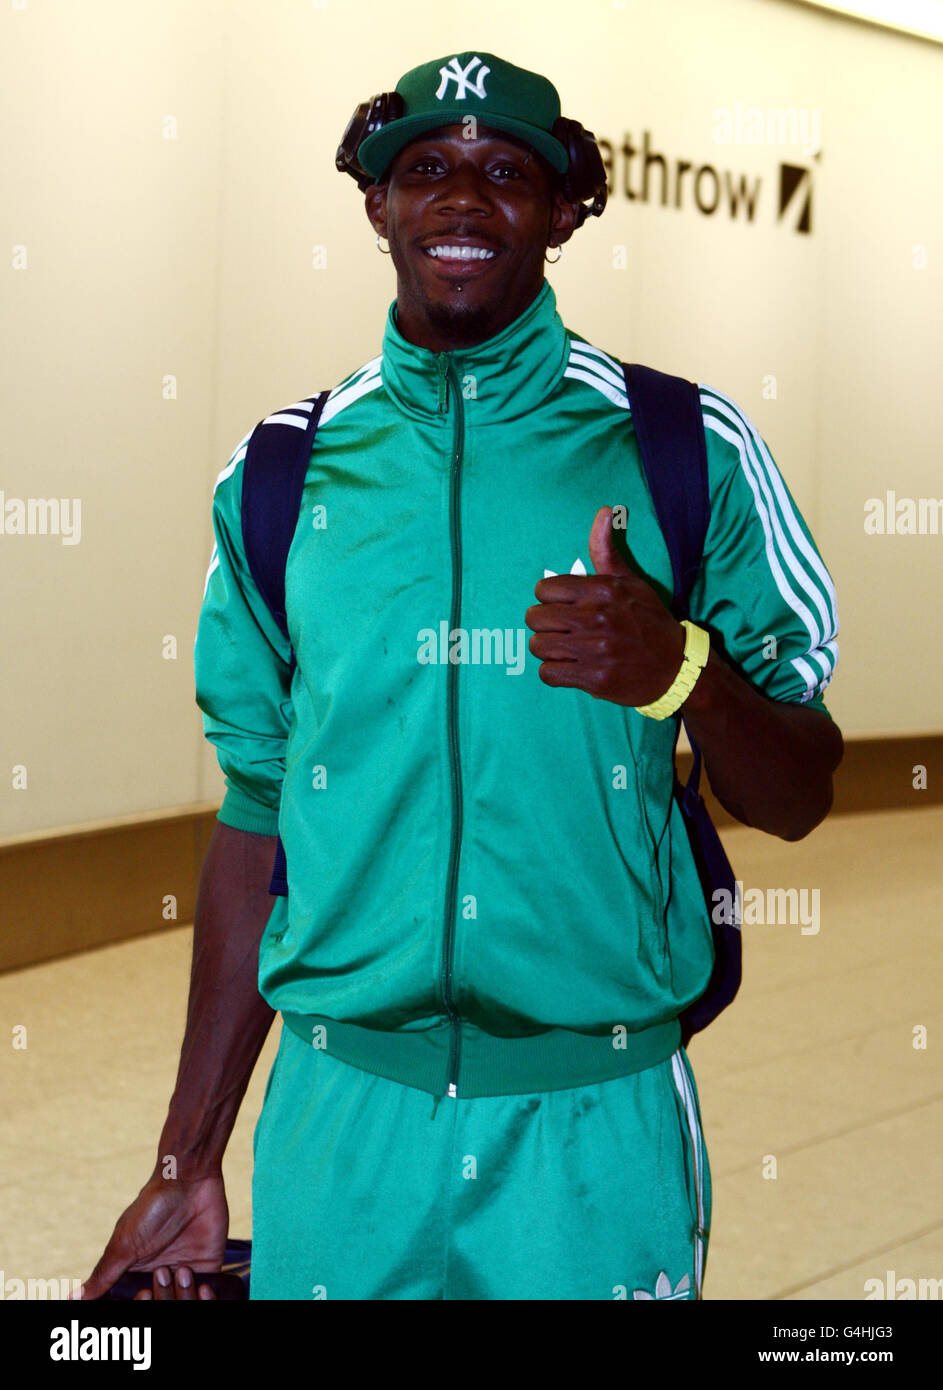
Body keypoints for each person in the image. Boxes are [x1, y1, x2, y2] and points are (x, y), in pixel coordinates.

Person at [81, 50, 843, 1302]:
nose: (461, 200)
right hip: (339, 1122)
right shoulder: (285, 476)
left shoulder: (679, 448)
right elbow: (258, 816)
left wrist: (680, 670)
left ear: (564, 211)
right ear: (377, 206)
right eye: (425, 169)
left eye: (507, 173)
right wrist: (185, 1155)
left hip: (592, 1123)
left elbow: (803, 790)